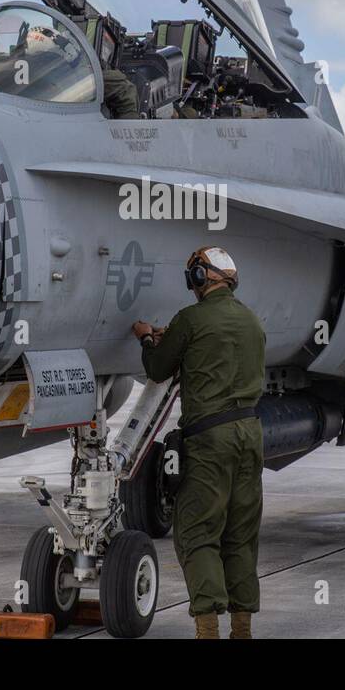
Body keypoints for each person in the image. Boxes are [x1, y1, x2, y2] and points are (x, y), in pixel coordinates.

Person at [132, 247, 266, 639]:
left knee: (197, 533)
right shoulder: (252, 321)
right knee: (240, 536)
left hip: (210, 438)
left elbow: (158, 370)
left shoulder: (190, 319)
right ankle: (242, 629)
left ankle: (207, 629)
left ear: (201, 278)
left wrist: (147, 340)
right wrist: (174, 338)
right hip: (250, 434)